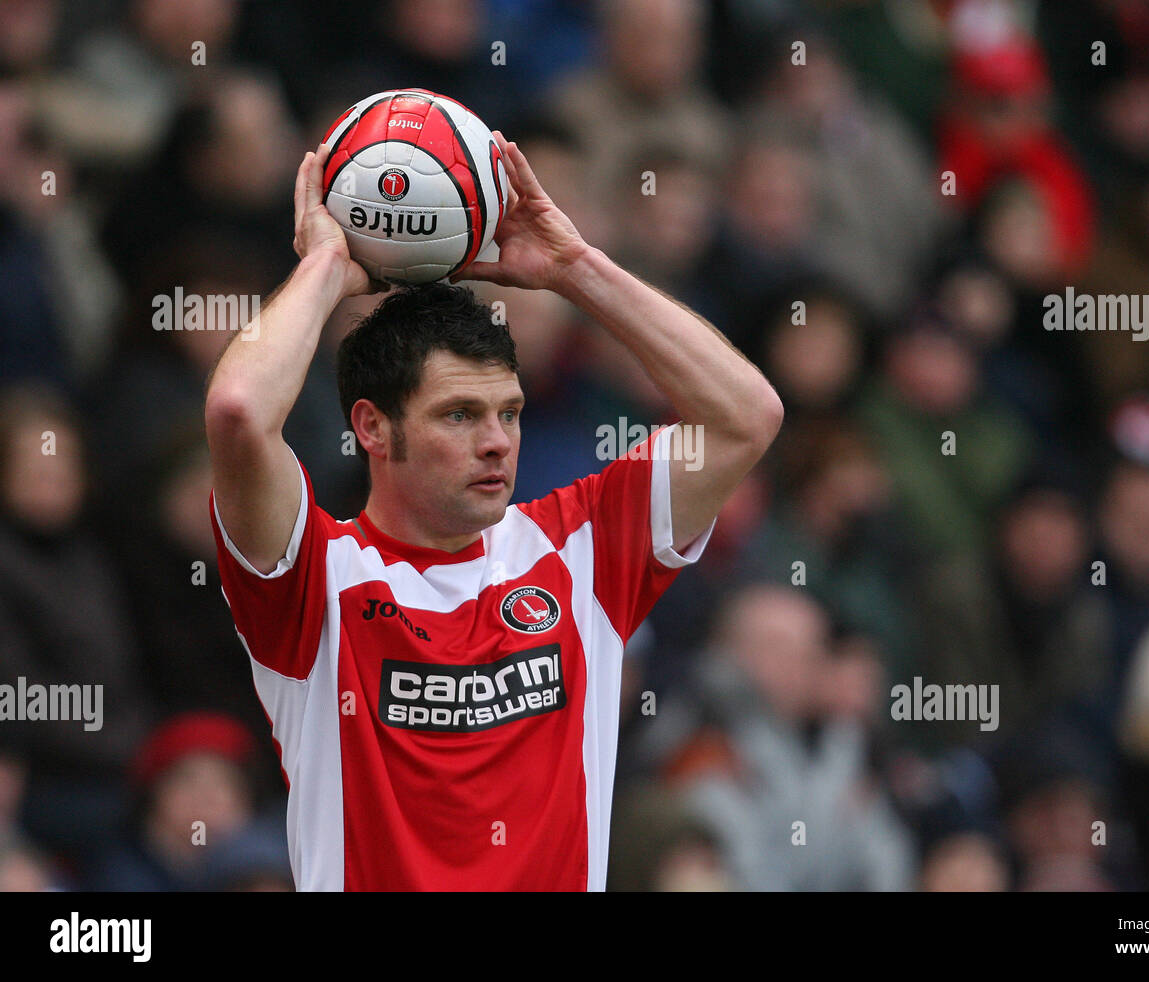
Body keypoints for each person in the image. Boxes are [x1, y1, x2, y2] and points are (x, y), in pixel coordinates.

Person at [203, 135, 783, 891]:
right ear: (373, 427)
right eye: (459, 415)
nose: (495, 443)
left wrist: (577, 270)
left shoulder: (580, 549)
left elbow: (747, 414)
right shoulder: (314, 579)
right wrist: (325, 270)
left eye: (508, 413)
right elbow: (241, 409)